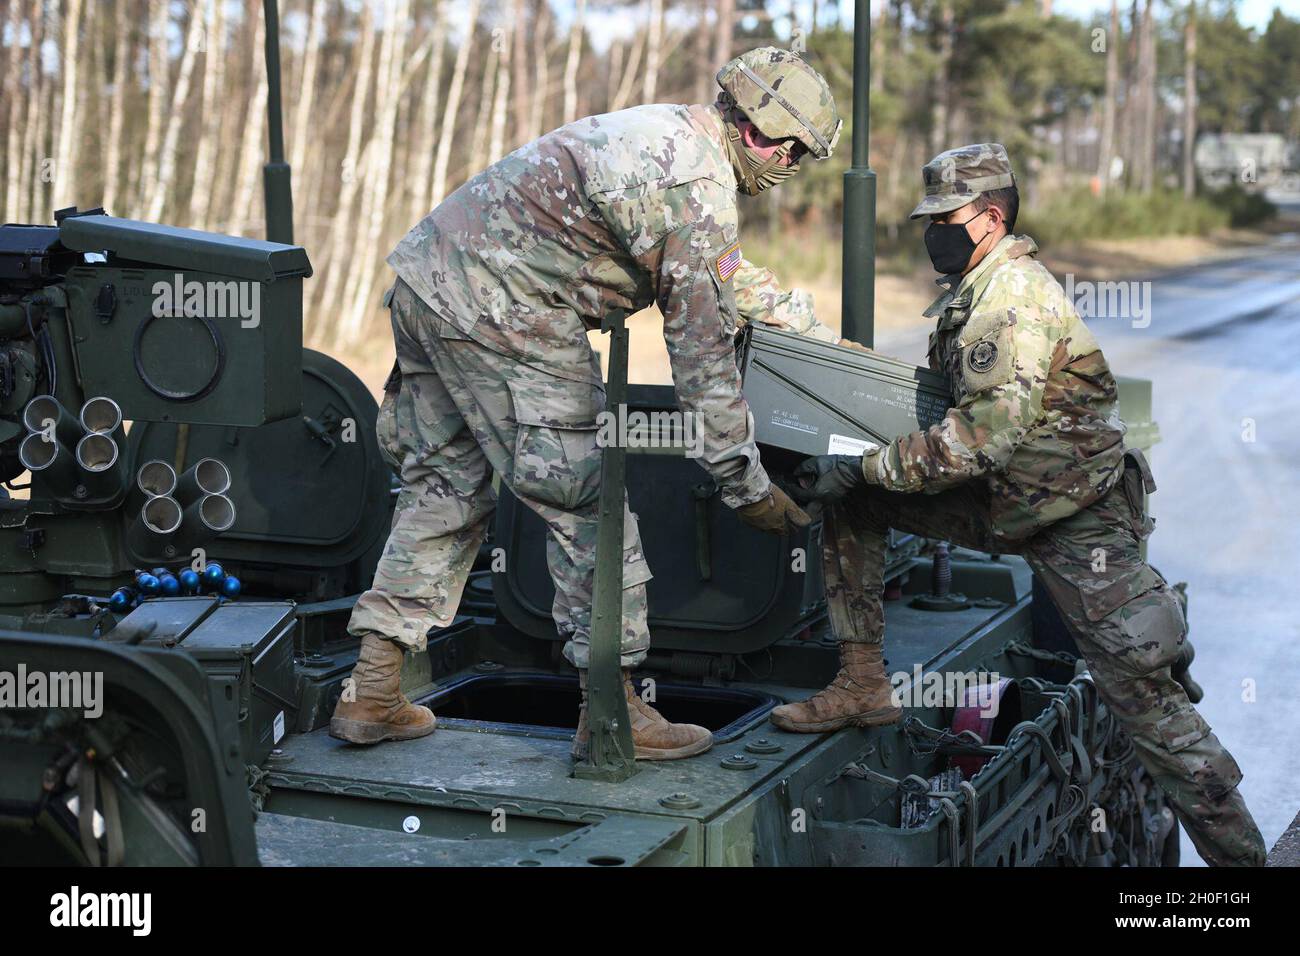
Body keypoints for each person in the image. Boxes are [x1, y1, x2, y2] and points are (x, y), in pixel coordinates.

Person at [331, 47, 844, 761]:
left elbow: (716, 276)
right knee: (586, 503)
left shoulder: (672, 136)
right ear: (765, 135)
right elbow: (701, 361)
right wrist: (744, 484)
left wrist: (813, 332)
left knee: (444, 490)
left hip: (428, 284)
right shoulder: (698, 187)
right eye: (794, 153)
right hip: (505, 311)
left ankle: (373, 689)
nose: (790, 168)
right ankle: (614, 709)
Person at [782, 143, 1267, 866]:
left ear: (992, 217)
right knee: (858, 502)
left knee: (1151, 716)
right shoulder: (977, 289)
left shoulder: (1011, 300)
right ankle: (863, 682)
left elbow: (982, 437)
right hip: (1013, 499)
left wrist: (871, 464)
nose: (933, 232)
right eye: (930, 217)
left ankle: (1243, 865)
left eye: (947, 218)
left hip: (1079, 522)